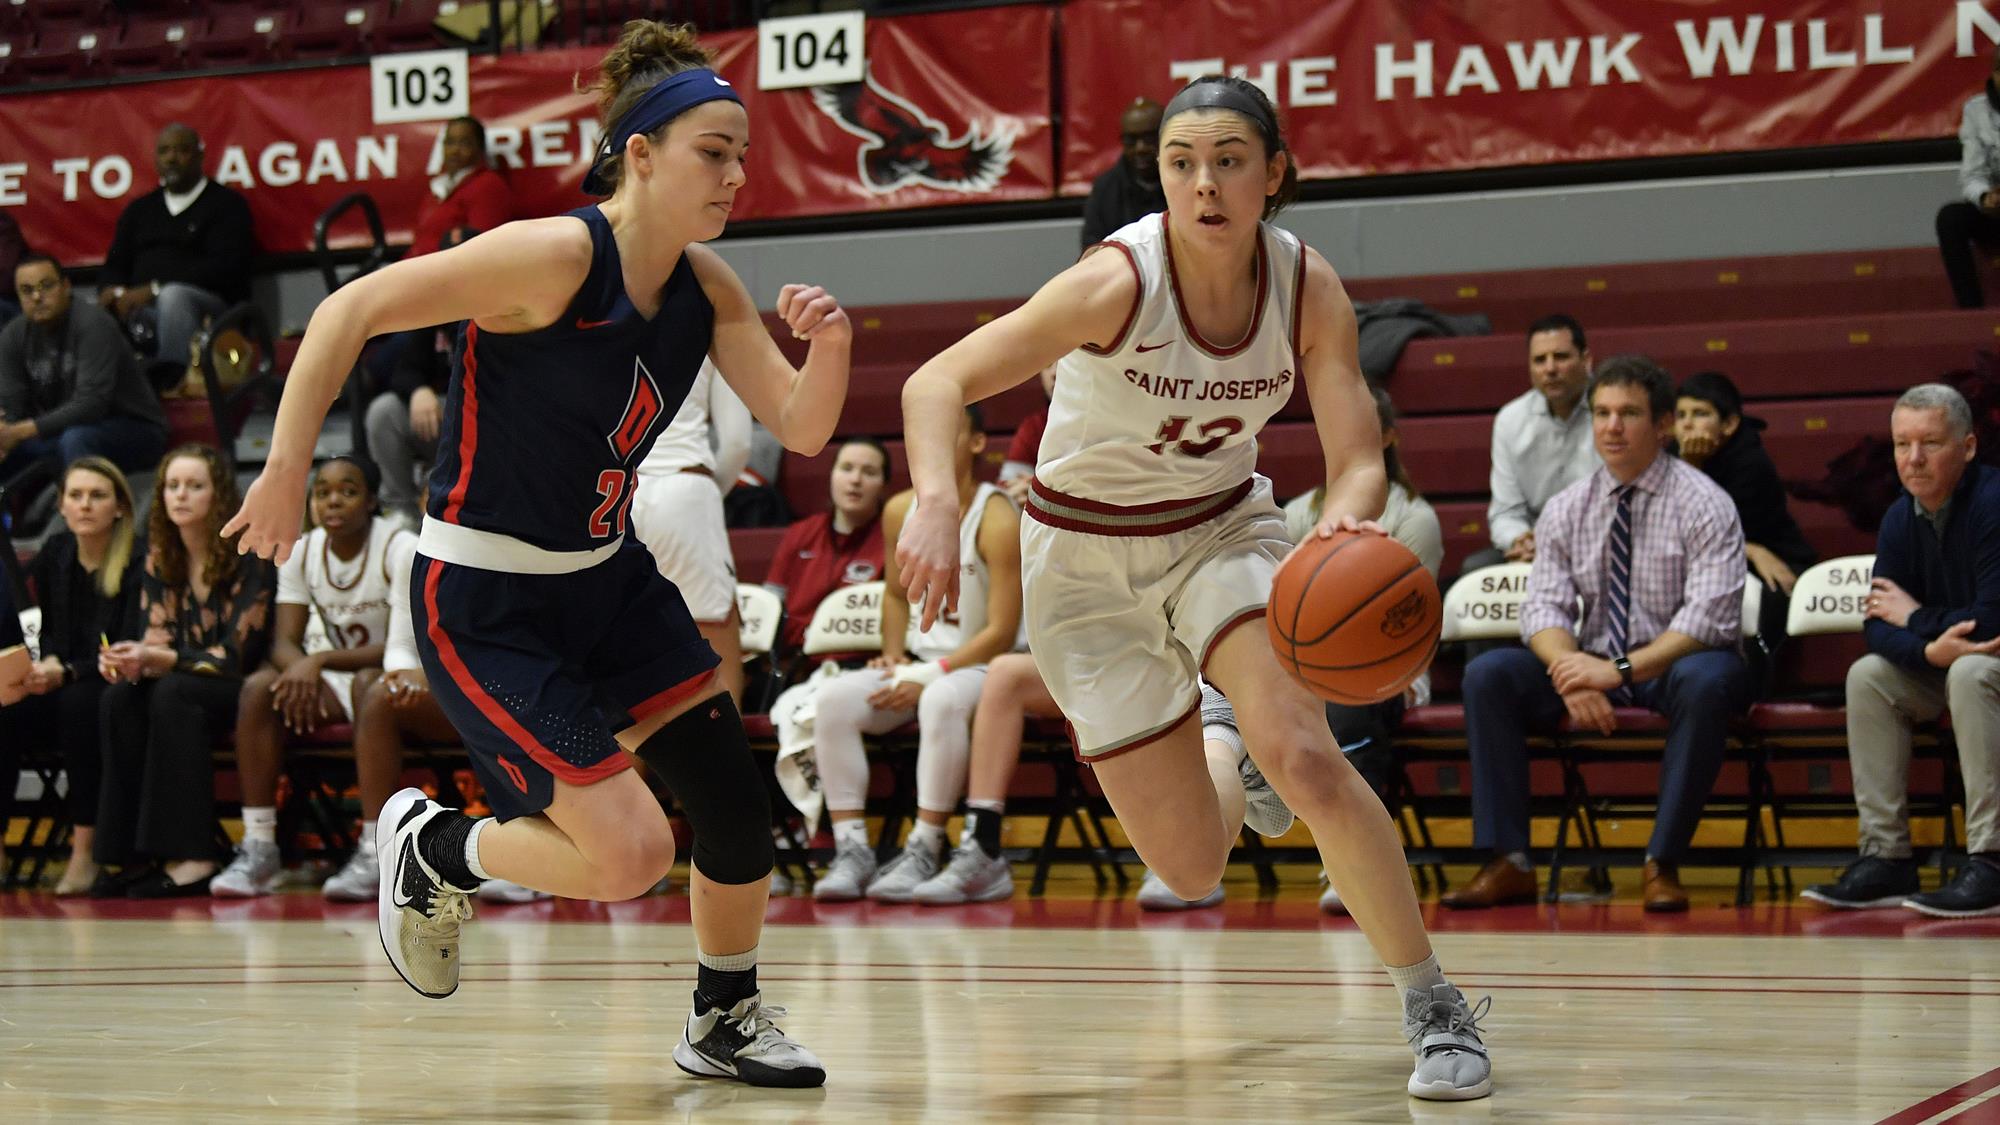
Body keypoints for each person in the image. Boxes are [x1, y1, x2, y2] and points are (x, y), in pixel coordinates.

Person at [226, 21, 847, 1088]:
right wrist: (285, 468)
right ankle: (435, 848)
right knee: (632, 855)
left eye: (743, 154)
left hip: (608, 583)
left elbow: (800, 426)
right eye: (713, 151)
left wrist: (829, 346)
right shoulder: (554, 256)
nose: (736, 174)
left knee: (734, 808)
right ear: (638, 153)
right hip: (486, 599)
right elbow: (348, 309)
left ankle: (724, 1019)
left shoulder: (707, 288)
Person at [895, 75, 1492, 1101]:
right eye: (1181, 163)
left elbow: (1358, 458)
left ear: (1274, 175)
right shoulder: (1113, 280)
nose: (1203, 183)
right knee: (1189, 867)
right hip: (1082, 561)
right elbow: (934, 381)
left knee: (1306, 757)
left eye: (1227, 161)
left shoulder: (1305, 285)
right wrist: (939, 502)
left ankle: (1433, 1003)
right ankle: (1225, 745)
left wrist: (1346, 517)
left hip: (1220, 527)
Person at [1445, 356, 1749, 915]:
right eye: (1602, 413)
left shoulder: (1706, 503)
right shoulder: (1568, 507)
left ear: (1663, 425)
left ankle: (1662, 862)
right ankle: (1509, 861)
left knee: (1708, 680)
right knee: (1489, 674)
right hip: (1593, 662)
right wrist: (1571, 674)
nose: (1611, 426)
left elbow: (1710, 618)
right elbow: (1543, 608)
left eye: (1628, 413)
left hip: (1671, 666)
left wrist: (1617, 671)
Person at [801, 403, 1021, 903]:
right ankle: (852, 850)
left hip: (982, 668)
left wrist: (930, 674)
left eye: (949, 432)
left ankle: (925, 845)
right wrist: (894, 653)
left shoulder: (996, 517)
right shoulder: (901, 510)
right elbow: (897, 596)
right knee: (832, 700)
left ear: (977, 443)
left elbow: (1003, 631)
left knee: (940, 698)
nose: (934, 443)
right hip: (923, 666)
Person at [1804, 384, 2000, 917]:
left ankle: (1991, 858)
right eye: (1901, 444)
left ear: (1967, 447)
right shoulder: (1899, 517)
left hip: (1986, 661)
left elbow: (1990, 619)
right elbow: (1877, 626)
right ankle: (1887, 855)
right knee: (1869, 676)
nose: (1913, 459)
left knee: (1971, 672)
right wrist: (1930, 651)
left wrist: (1915, 620)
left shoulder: (1992, 503)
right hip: (1949, 660)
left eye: (1930, 443)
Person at [212, 456, 410, 897]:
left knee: (369, 685)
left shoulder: (400, 547)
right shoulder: (302, 549)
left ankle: (377, 851)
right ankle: (260, 848)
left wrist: (317, 661)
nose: (332, 501)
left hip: (397, 675)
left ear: (371, 500)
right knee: (259, 689)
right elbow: (284, 642)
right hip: (340, 677)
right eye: (322, 493)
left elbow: (403, 648)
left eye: (348, 491)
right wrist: (301, 670)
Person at [1284, 384, 1442, 916]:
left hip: (1394, 667)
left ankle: (1349, 862)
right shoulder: (1298, 513)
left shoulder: (1414, 517)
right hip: (1303, 664)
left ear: (1389, 436)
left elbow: (1412, 624)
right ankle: (1196, 851)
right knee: (1224, 691)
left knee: (1346, 699)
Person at [97, 444, 274, 897]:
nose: (180, 495)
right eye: (172, 486)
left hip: (246, 688)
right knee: (121, 696)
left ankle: (195, 856)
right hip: (182, 684)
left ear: (219, 495)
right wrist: (132, 659)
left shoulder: (250, 551)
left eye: (195, 486)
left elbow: (237, 656)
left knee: (173, 692)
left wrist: (164, 659)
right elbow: (155, 638)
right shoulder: (161, 556)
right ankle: (128, 855)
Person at [0, 457, 143, 894]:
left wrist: (66, 671)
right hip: (63, 679)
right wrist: (43, 665)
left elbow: (127, 640)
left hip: (120, 682)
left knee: (81, 706)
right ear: (61, 506)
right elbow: (45, 631)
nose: (85, 505)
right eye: (75, 496)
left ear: (119, 507)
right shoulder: (56, 552)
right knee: (5, 708)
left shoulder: (140, 558)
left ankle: (86, 852)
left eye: (97, 496)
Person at [632, 358, 752, 704]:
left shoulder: (591, 328)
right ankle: (727, 740)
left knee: (624, 649)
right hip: (685, 487)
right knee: (714, 636)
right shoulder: (709, 326)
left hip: (613, 496)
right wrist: (707, 494)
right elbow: (738, 443)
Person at [1672, 371, 1816, 649]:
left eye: (1700, 413)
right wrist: (1689, 463)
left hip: (1771, 556)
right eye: (1681, 415)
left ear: (1729, 424)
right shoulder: (1669, 454)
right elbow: (1671, 533)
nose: (1687, 424)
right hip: (1722, 555)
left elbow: (1713, 532)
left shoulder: (1751, 461)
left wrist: (1692, 468)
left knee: (1770, 594)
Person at [97, 124, 256, 374]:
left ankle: (174, 379)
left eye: (182, 150)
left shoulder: (226, 204)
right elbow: (115, 264)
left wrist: (155, 289)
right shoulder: (140, 210)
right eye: (164, 151)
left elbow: (226, 269)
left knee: (174, 296)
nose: (172, 158)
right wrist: (114, 291)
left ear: (200, 156)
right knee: (86, 311)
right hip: (143, 312)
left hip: (209, 313)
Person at [0, 254, 169, 487]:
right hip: (62, 431)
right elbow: (12, 404)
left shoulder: (93, 324)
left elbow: (92, 404)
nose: (37, 297)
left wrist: (22, 431)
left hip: (134, 429)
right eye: (27, 290)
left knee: (76, 438)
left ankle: (84, 508)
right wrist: (4, 430)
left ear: (66, 286)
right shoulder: (13, 335)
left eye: (46, 286)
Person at [1464, 314, 1599, 576]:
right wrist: (1520, 540)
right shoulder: (1510, 420)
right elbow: (1506, 512)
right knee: (1474, 569)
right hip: (1535, 546)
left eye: (1561, 357)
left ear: (1586, 360)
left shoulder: (1610, 412)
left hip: (1598, 544)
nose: (1550, 368)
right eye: (1540, 360)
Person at [761, 437, 888, 661]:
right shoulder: (800, 533)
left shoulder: (893, 538)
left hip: (859, 659)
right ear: (831, 475)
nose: (855, 480)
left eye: (869, 472)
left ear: (883, 485)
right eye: (846, 468)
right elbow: (770, 603)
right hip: (795, 659)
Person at [1937, 46, 2000, 309]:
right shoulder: (1976, 111)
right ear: (1994, 74)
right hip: (1996, 211)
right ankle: (1971, 310)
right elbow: (1972, 175)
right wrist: (1985, 198)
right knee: (1950, 218)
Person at [410, 116, 514, 262]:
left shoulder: (488, 186)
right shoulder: (438, 188)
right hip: (418, 268)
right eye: (450, 142)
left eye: (464, 143)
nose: (454, 150)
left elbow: (483, 250)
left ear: (480, 148)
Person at [1079, 97, 1166, 248]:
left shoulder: (1184, 181)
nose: (1140, 148)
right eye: (1131, 141)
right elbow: (1092, 249)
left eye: (1149, 139)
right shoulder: (1105, 189)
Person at [997, 363, 1055, 506]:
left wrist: (1041, 493)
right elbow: (1008, 487)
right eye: (1048, 365)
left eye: (1063, 362)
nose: (1054, 373)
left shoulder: (1106, 423)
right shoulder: (1034, 426)